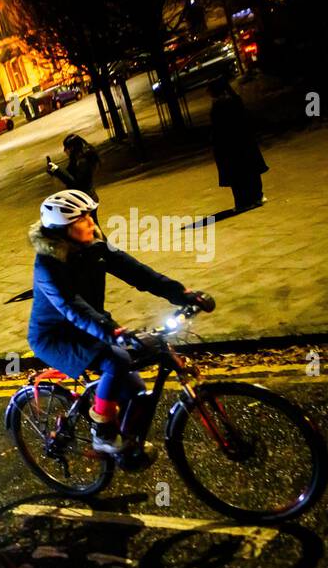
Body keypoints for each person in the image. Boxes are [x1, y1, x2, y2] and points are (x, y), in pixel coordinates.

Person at [28, 190, 215, 460]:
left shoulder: (96, 247)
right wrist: (115, 333)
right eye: (83, 219)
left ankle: (126, 445)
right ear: (63, 230)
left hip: (90, 326)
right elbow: (72, 307)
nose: (91, 223)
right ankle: (103, 435)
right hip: (56, 337)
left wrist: (184, 294)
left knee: (136, 390)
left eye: (90, 216)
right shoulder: (47, 265)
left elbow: (141, 274)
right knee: (116, 360)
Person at [208, 79, 267, 212]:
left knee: (237, 175)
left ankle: (244, 202)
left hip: (229, 146)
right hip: (245, 141)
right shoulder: (236, 100)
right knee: (251, 171)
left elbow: (218, 129)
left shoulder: (219, 106)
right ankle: (257, 196)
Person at [45, 134, 101, 216]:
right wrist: (54, 171)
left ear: (72, 148)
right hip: (83, 199)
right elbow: (68, 174)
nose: (65, 151)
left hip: (87, 200)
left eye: (66, 148)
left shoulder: (84, 161)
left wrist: (57, 170)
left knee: (90, 226)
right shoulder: (76, 160)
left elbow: (75, 183)